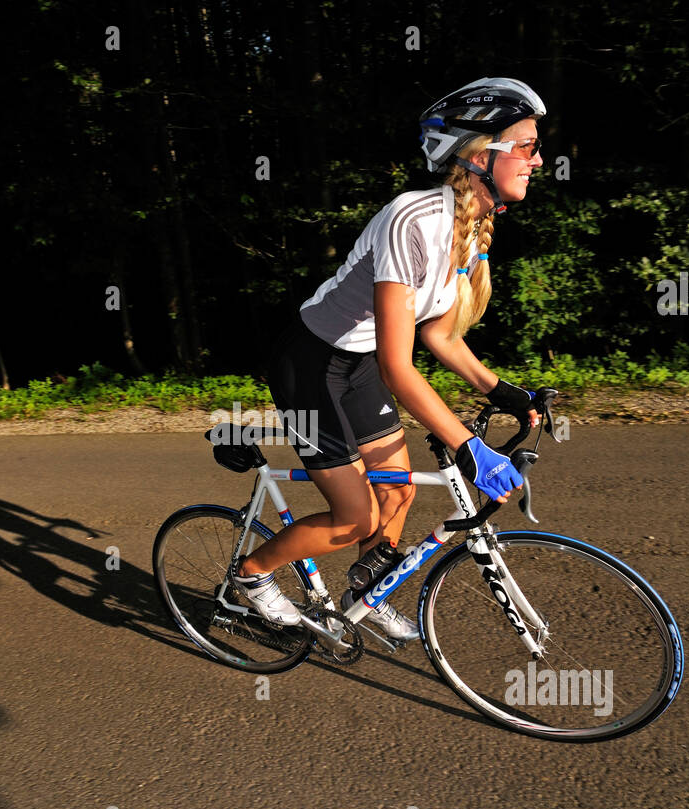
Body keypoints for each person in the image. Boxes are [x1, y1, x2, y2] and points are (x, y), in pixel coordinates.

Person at [231, 77, 547, 639]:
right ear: (478, 154)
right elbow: (400, 368)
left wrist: (504, 393)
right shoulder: (414, 218)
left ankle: (364, 596)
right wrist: (467, 446)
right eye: (526, 145)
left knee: (397, 490)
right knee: (355, 519)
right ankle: (250, 577)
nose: (539, 160)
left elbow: (442, 338)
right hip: (309, 365)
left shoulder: (470, 230)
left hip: (358, 366)